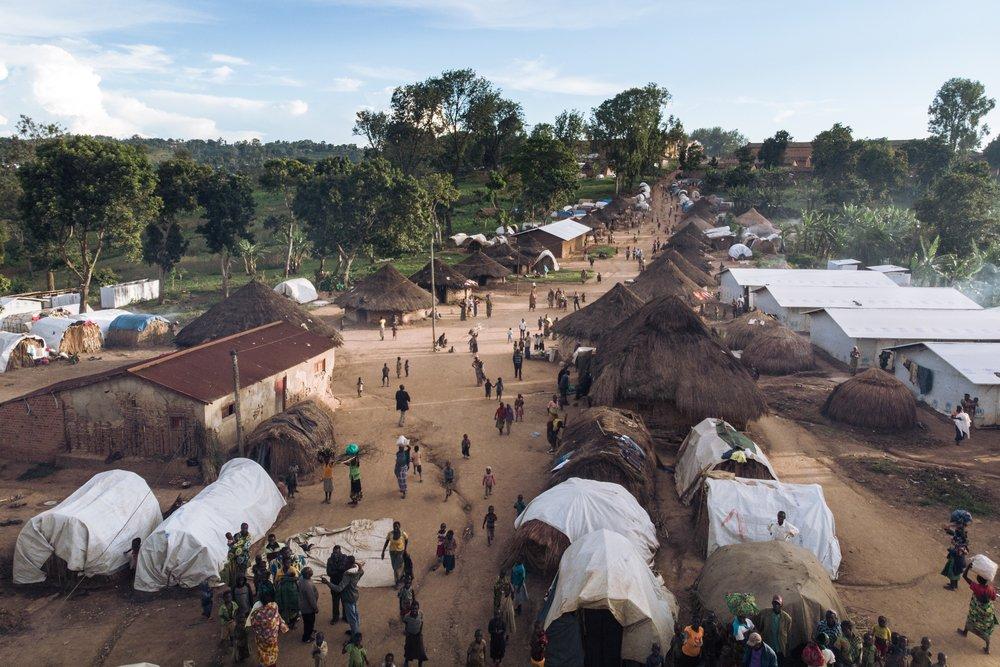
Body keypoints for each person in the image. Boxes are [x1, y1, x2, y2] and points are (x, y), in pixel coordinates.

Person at [958, 561, 998, 654]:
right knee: (985, 628)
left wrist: (968, 567)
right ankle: (987, 648)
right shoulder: (991, 589)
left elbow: (964, 576)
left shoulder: (976, 587)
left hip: (976, 609)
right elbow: (994, 598)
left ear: (978, 580)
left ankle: (965, 632)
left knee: (971, 618)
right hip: (987, 611)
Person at [325, 557, 364, 638]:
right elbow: (362, 571)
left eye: (346, 562)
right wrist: (358, 565)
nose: (344, 564)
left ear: (349, 564)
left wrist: (327, 583)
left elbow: (339, 588)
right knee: (355, 614)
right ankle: (356, 630)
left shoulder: (348, 575)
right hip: (355, 595)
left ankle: (355, 636)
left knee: (351, 618)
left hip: (348, 597)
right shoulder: (358, 572)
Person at [250, 591, 288, 667]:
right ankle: (272, 663)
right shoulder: (274, 606)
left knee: (263, 652)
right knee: (272, 652)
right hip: (273, 636)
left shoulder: (257, 613)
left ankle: (265, 663)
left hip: (262, 639)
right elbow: (277, 617)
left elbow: (253, 625)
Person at [756, 594, 791, 663]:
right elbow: (760, 626)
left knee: (779, 661)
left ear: (781, 605)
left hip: (780, 646)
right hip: (769, 644)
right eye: (774, 603)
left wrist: (787, 647)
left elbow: (788, 632)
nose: (776, 605)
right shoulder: (765, 614)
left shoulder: (786, 618)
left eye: (778, 604)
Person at [326, 545, 351, 625]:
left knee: (345, 601)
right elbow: (329, 572)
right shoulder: (330, 560)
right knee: (335, 602)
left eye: (337, 552)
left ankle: (345, 617)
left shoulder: (344, 557)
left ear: (340, 551)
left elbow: (345, 569)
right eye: (334, 552)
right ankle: (335, 618)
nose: (335, 554)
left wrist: (335, 570)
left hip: (343, 583)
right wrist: (339, 570)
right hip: (334, 583)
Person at [381, 521, 409, 588]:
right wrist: (383, 552)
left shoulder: (403, 534)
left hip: (400, 552)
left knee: (396, 568)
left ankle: (398, 582)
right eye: (394, 526)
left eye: (397, 526)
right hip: (392, 552)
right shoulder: (390, 534)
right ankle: (401, 578)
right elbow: (386, 542)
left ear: (399, 527)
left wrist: (405, 549)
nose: (395, 528)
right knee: (394, 567)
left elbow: (406, 540)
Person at [402, 601, 428, 666]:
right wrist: (406, 632)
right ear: (410, 608)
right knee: (408, 649)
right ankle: (406, 661)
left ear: (418, 608)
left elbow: (421, 622)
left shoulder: (421, 614)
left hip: (418, 635)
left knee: (421, 651)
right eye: (413, 608)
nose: (414, 610)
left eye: (416, 608)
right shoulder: (407, 617)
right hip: (410, 635)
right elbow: (405, 624)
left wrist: (420, 631)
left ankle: (420, 664)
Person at [276, 561, 301, 628]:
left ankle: (288, 623)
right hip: (293, 601)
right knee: (294, 612)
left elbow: (278, 592)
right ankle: (292, 623)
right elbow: (299, 590)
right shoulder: (295, 582)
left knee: (287, 612)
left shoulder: (282, 582)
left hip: (285, 601)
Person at [299, 567, 320, 643]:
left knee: (307, 621)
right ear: (307, 574)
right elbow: (311, 598)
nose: (312, 572)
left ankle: (310, 630)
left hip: (303, 604)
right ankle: (306, 638)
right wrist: (315, 608)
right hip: (308, 607)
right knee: (309, 622)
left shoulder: (302, 578)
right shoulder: (307, 585)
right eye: (310, 572)